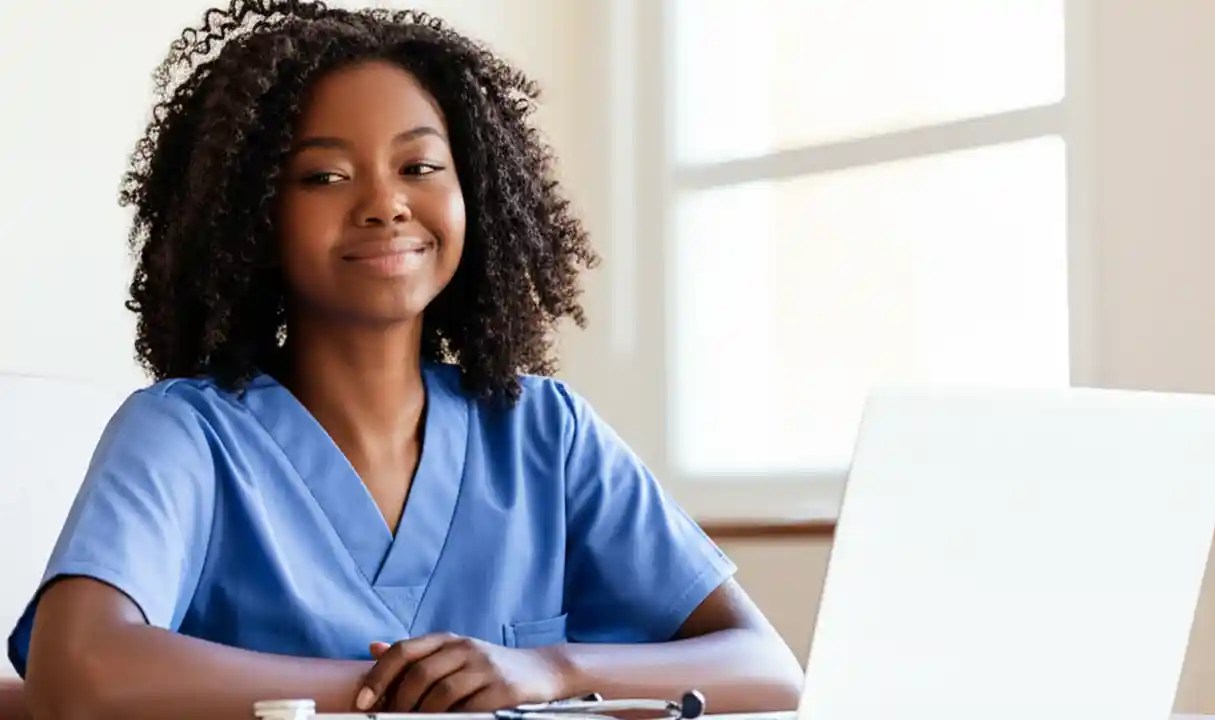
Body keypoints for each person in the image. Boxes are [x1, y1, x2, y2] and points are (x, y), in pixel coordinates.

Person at [8, 1, 804, 718]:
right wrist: (410, 696)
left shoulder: (547, 434)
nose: (385, 202)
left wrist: (547, 671)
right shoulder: (185, 435)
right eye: (323, 176)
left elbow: (766, 667)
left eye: (419, 167)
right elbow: (77, 671)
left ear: (476, 193)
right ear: (251, 218)